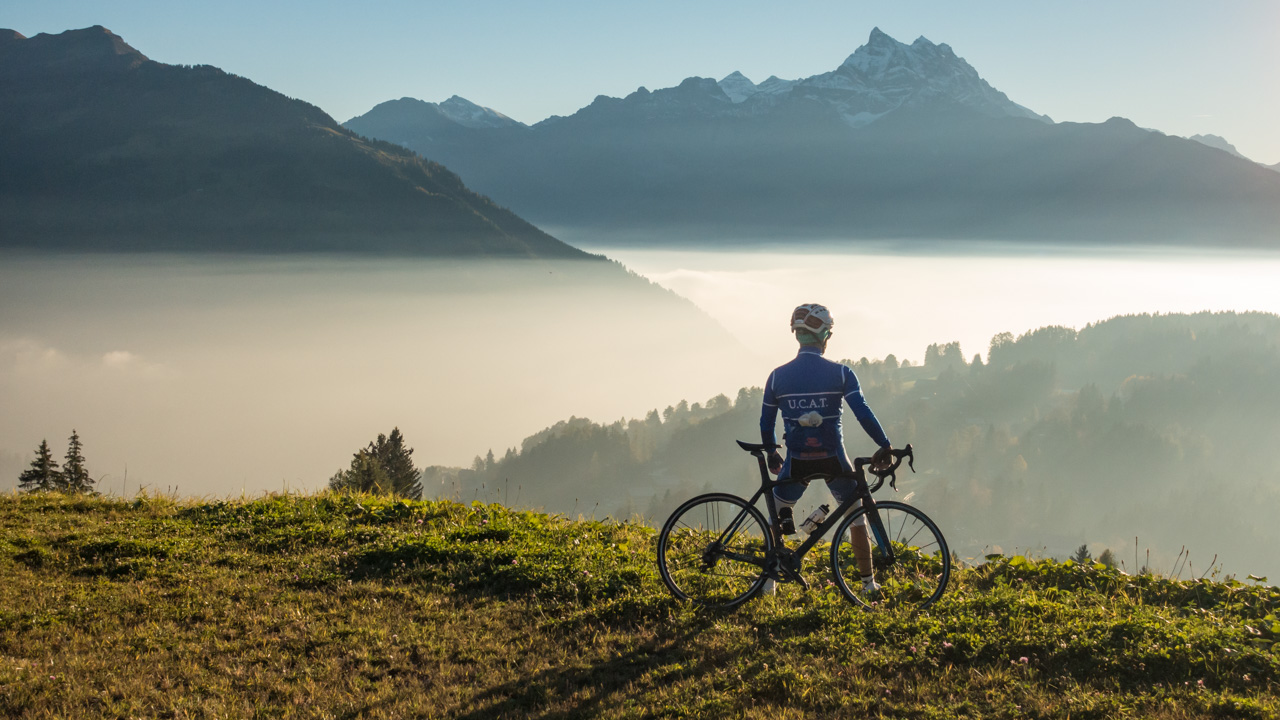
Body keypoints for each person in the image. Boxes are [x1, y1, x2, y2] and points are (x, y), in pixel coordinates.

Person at [760, 303, 893, 596]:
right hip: (834, 458)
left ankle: (768, 584)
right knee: (856, 516)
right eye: (829, 332)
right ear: (823, 334)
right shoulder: (842, 374)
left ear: (797, 334)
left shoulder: (777, 376)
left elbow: (766, 422)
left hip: (797, 459)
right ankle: (868, 585)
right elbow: (863, 413)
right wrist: (884, 444)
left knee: (774, 516)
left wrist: (771, 452)